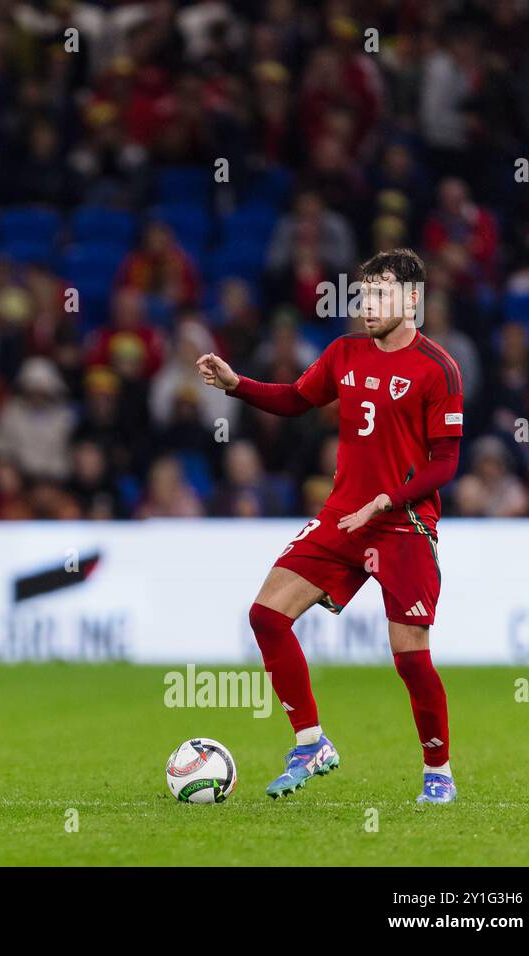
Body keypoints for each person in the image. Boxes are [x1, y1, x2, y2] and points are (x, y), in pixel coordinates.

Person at [197, 249, 463, 804]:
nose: (368, 306)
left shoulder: (438, 367)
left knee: (411, 658)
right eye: (364, 295)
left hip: (404, 525)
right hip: (344, 516)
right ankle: (311, 742)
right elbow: (297, 399)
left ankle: (437, 772)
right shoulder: (344, 353)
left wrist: (387, 500)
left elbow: (444, 463)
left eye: (382, 294)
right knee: (266, 616)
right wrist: (235, 384)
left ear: (413, 299)